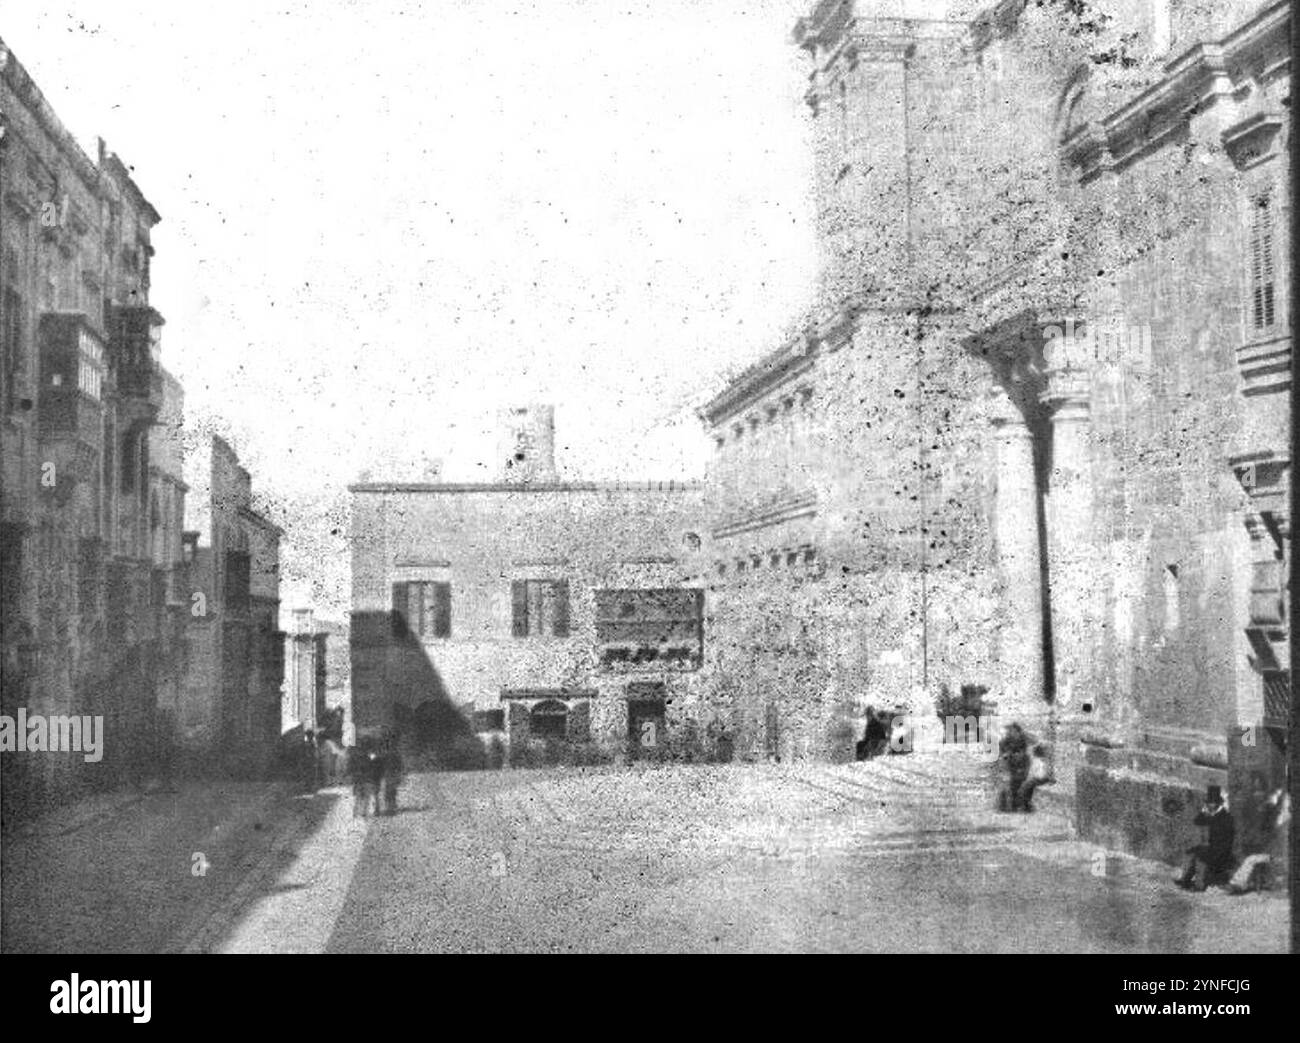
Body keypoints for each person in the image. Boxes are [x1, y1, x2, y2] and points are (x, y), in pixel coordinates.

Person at [1228, 782, 1290, 894]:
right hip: (1272, 852)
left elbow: (1278, 846)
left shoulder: (1284, 825)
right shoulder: (1276, 823)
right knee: (1250, 857)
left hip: (1279, 856)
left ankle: (1238, 883)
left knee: (1251, 859)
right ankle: (1241, 882)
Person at [1176, 785, 1236, 891]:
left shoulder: (1225, 817)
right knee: (1191, 852)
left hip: (1222, 851)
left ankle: (1199, 885)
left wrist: (1209, 817)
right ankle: (1185, 879)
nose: (1210, 805)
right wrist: (1204, 813)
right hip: (1210, 847)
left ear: (1219, 803)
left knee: (1202, 856)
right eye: (1208, 803)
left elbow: (1225, 840)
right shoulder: (1207, 814)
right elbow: (1197, 821)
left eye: (1212, 803)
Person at [997, 722, 1031, 812]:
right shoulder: (1006, 740)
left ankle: (1017, 806)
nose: (1011, 732)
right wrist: (1006, 754)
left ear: (1017, 731)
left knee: (1017, 785)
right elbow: (1001, 750)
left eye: (1013, 731)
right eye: (1010, 731)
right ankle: (1005, 806)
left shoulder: (1022, 739)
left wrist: (1015, 755)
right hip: (1010, 764)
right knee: (1009, 786)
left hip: (1019, 764)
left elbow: (1023, 752)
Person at [1018, 743, 1055, 812]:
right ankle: (1026, 804)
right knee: (1028, 787)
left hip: (1040, 778)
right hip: (1041, 778)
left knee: (1025, 786)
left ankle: (1025, 805)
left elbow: (1035, 773)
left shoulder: (1038, 760)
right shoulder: (1041, 760)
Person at [380, 744, 404, 816]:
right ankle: (391, 806)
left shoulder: (387, 756)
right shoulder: (395, 755)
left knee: (390, 790)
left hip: (391, 774)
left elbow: (399, 765)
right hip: (391, 774)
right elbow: (400, 765)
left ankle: (390, 806)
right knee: (391, 790)